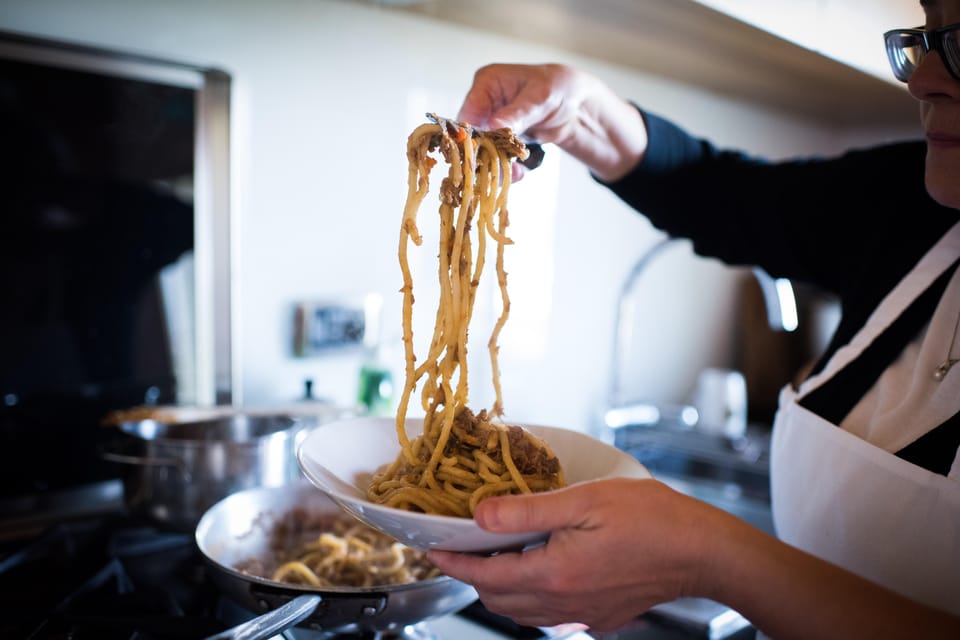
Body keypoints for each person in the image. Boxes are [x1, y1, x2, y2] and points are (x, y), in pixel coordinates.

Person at [426, 1, 960, 638]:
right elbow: (721, 193)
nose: (921, 75)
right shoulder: (911, 198)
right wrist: (581, 111)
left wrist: (710, 557)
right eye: (925, 35)